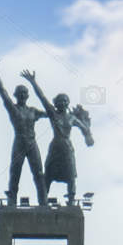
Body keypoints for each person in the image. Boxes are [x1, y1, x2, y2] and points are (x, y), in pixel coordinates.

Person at [0, 53, 46, 205]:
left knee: (39, 173)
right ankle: (12, 200)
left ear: (28, 96)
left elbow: (51, 113)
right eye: (20, 93)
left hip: (32, 144)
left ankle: (43, 202)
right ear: (16, 95)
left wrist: (34, 83)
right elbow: (2, 91)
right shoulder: (13, 109)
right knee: (15, 173)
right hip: (19, 143)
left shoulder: (33, 111)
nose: (22, 95)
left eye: (25, 93)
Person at [24, 71, 93, 204]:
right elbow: (42, 98)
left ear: (67, 103)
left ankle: (71, 199)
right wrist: (33, 82)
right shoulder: (53, 114)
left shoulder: (72, 118)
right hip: (55, 147)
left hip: (67, 148)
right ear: (56, 104)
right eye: (60, 101)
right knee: (48, 175)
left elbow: (85, 128)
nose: (62, 103)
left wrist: (88, 136)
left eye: (65, 101)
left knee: (71, 175)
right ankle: (43, 201)